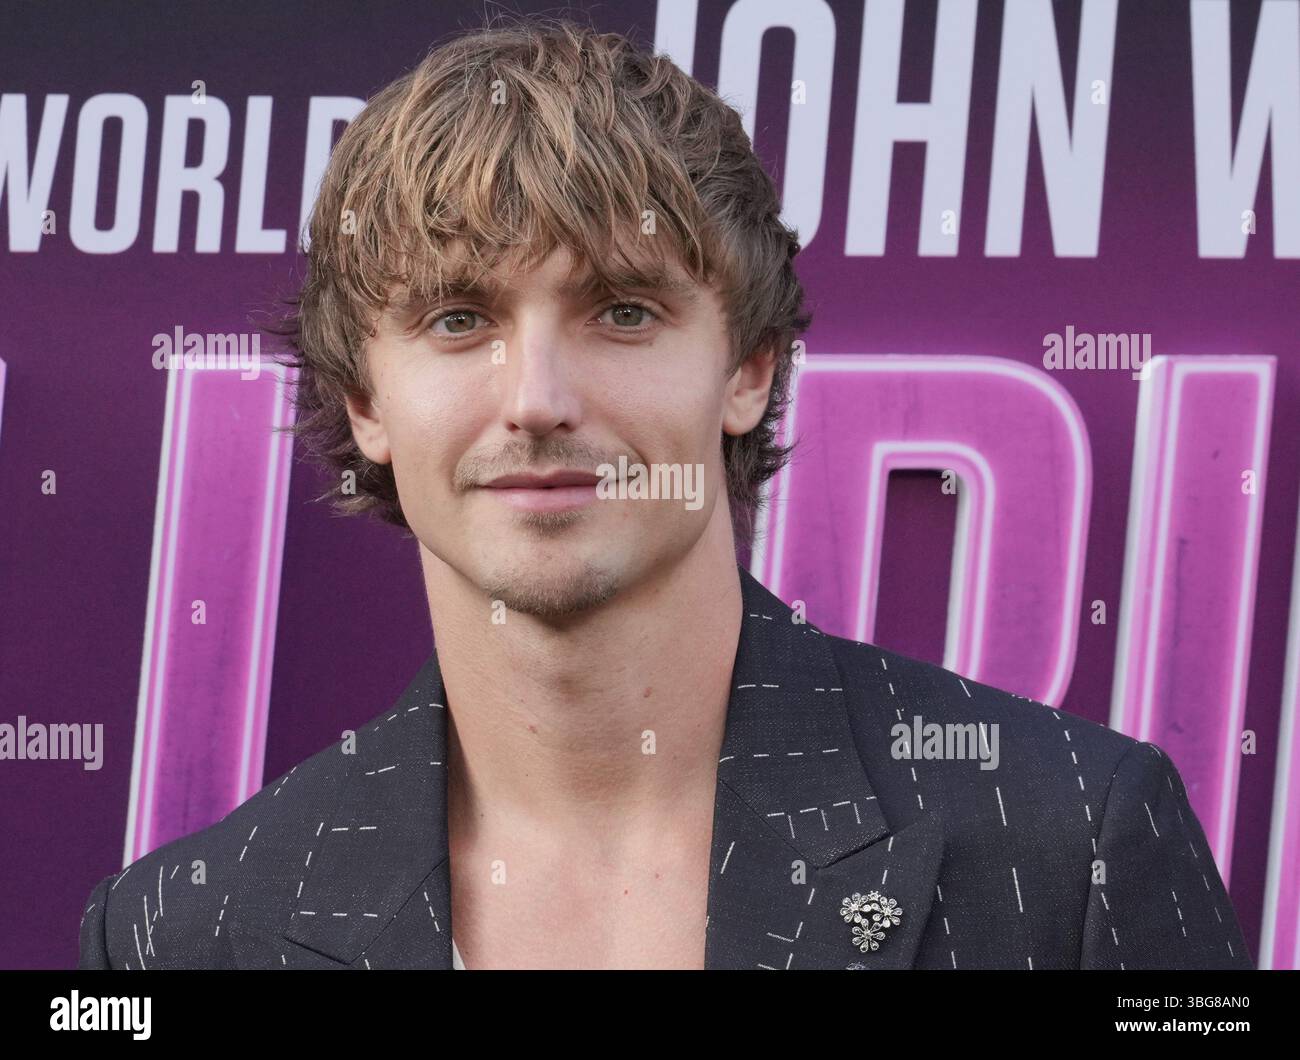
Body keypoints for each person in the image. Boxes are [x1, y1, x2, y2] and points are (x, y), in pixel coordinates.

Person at [77, 15, 1251, 970]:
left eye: (623, 312)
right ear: (365, 400)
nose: (535, 397)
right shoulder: (176, 937)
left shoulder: (1073, 841)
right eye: (457, 318)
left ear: (747, 370)